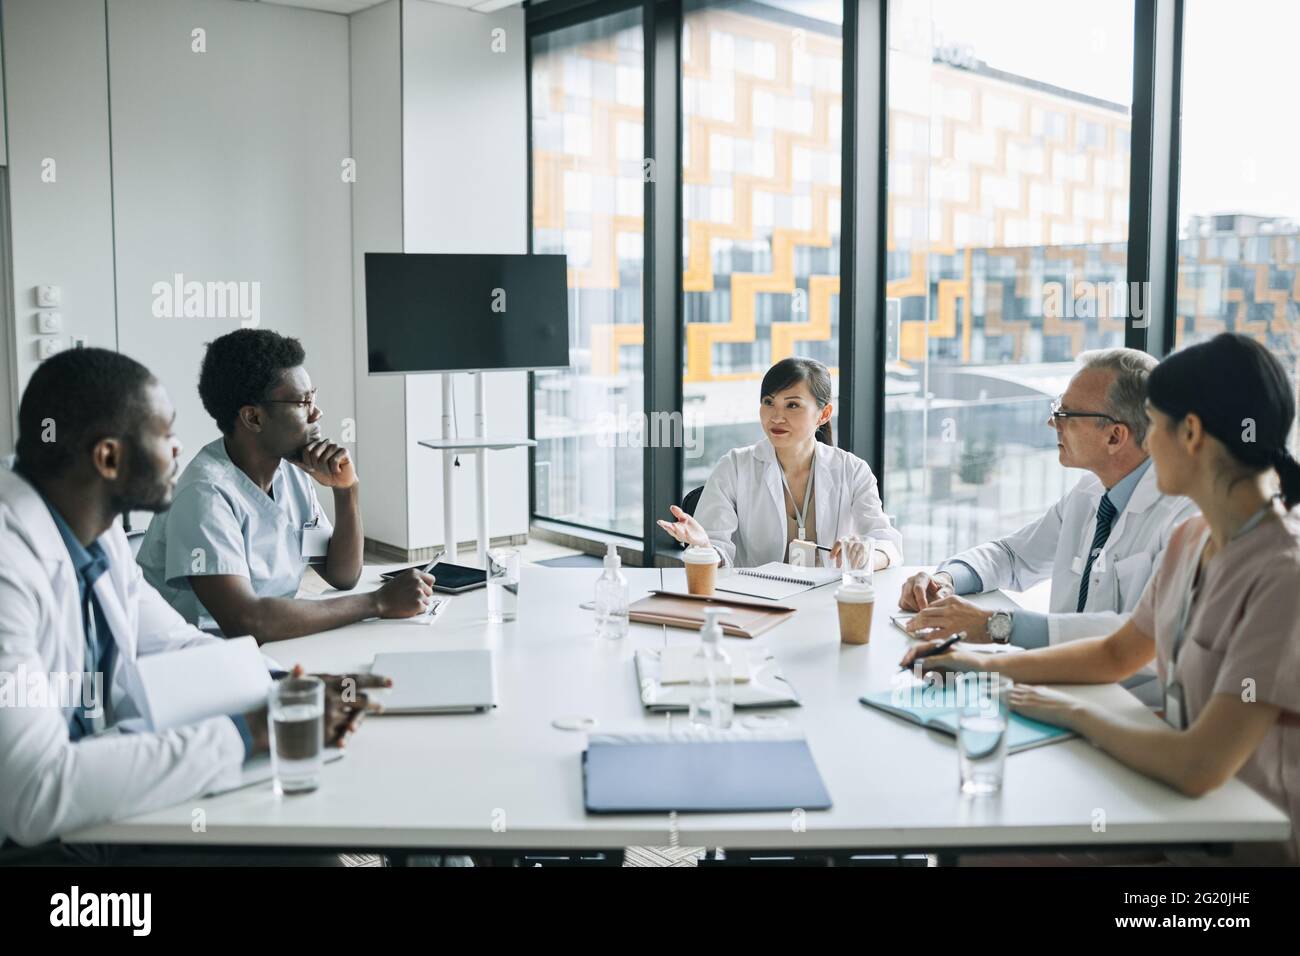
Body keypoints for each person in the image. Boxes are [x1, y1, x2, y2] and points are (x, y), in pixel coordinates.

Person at [902, 333, 1300, 863]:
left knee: (997, 844)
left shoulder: (1282, 575)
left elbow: (1199, 765)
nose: (1143, 442)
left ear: (1192, 434)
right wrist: (973, 665)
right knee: (986, 840)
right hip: (1168, 810)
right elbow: (1117, 653)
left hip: (1235, 847)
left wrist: (1071, 713)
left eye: (1153, 425)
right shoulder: (1193, 540)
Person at [0, 348, 384, 854]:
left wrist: (288, 690)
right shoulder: (10, 566)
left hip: (91, 790)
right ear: (108, 457)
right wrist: (249, 732)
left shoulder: (95, 530)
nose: (179, 450)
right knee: (299, 850)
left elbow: (174, 641)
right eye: (165, 434)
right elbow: (34, 794)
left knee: (301, 829)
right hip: (33, 842)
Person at [137, 329, 432, 642]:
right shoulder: (205, 493)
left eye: (313, 398)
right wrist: (378, 602)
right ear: (253, 418)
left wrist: (346, 491)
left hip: (273, 643)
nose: (317, 413)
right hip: (202, 660)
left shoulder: (289, 473)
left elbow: (341, 574)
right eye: (303, 402)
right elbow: (247, 621)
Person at [900, 348, 1197, 649]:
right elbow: (1013, 556)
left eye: (1066, 414)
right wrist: (947, 580)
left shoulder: (1183, 517)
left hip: (1125, 694)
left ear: (1114, 437)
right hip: (1058, 679)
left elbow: (1140, 636)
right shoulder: (1089, 493)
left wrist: (997, 625)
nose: (1052, 423)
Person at [657, 356, 902, 569]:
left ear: (824, 414)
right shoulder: (734, 467)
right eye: (768, 402)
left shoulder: (852, 470)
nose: (776, 416)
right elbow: (717, 553)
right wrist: (704, 547)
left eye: (792, 405)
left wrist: (867, 556)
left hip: (828, 604)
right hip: (757, 605)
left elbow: (885, 541)